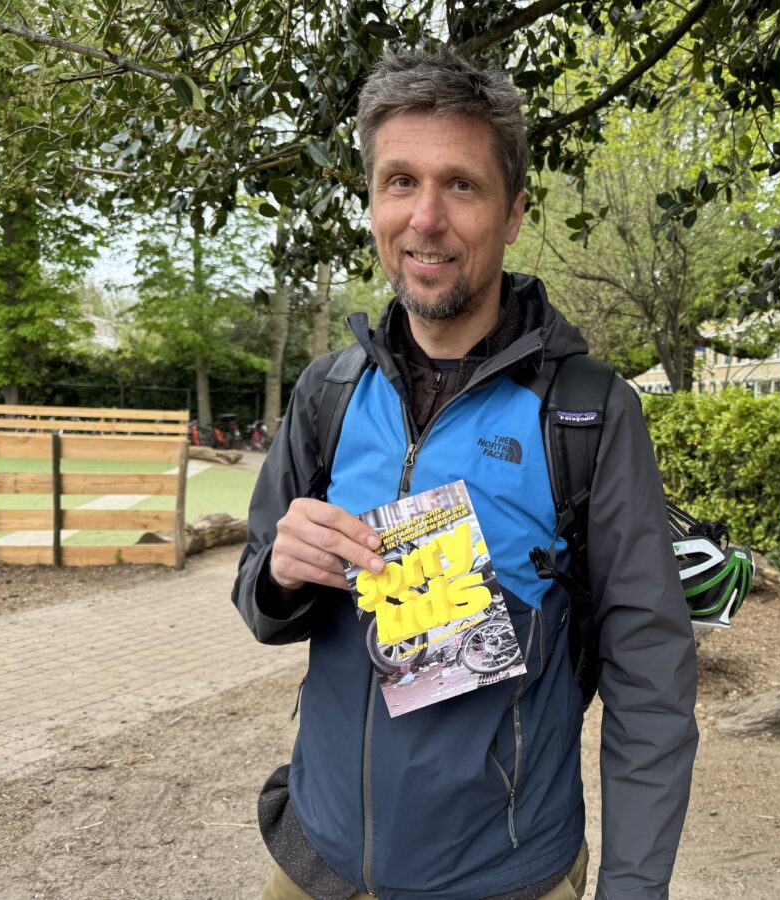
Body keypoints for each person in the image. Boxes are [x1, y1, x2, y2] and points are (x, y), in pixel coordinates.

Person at [232, 47, 698, 900]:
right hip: (316, 862)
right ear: (372, 200)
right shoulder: (329, 394)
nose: (426, 218)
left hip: (506, 876)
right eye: (400, 181)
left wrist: (634, 887)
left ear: (514, 212)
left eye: (463, 186)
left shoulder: (586, 416)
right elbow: (258, 604)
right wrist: (278, 577)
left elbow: (652, 683)